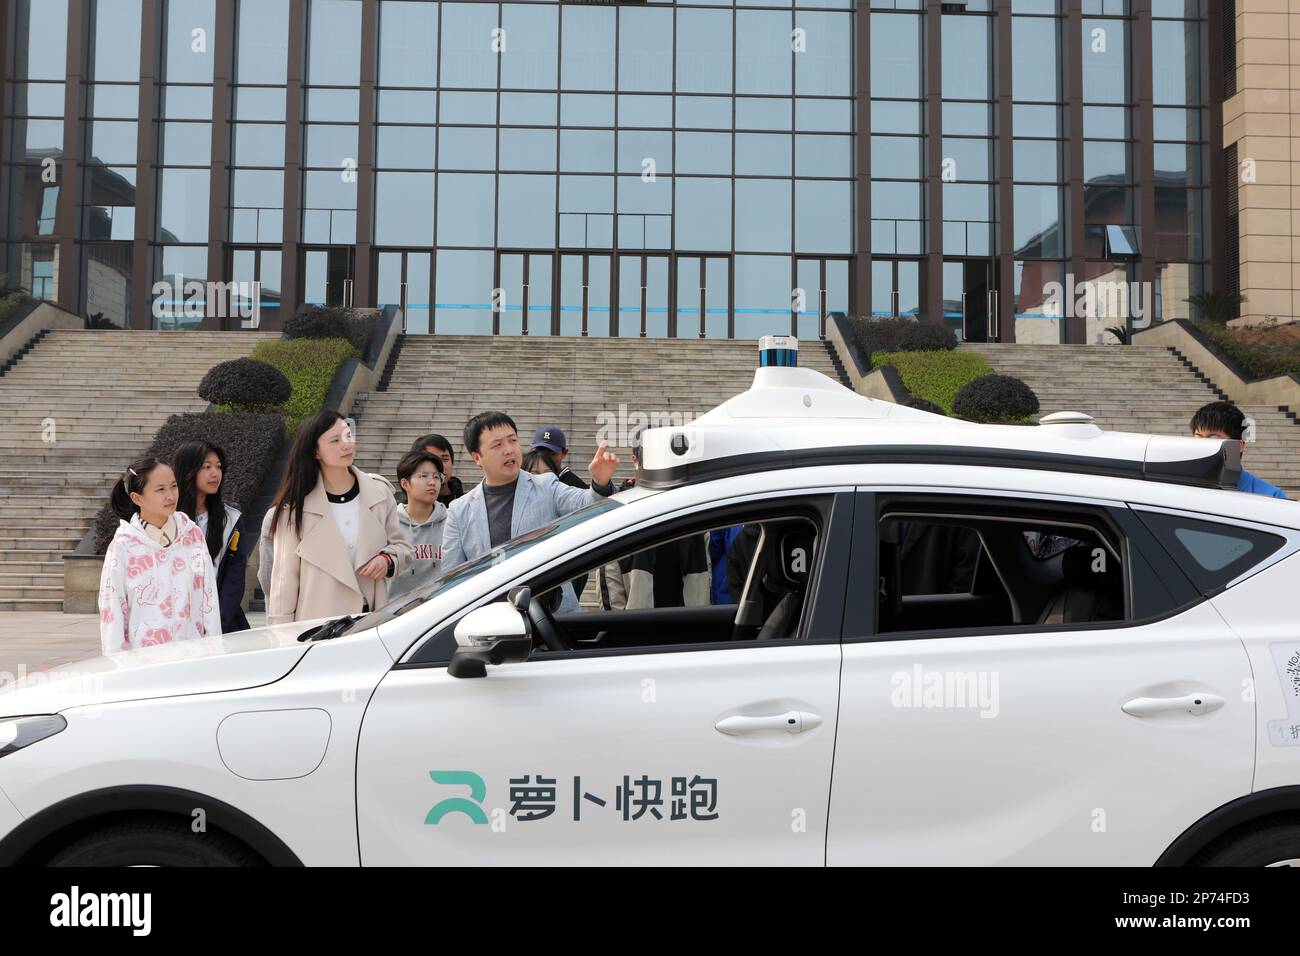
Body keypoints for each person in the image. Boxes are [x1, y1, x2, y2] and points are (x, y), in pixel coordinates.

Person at [438, 411, 620, 613]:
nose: (509, 450)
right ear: (477, 457)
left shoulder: (546, 485)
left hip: (551, 617)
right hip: (488, 621)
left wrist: (600, 483)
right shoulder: (459, 510)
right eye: (497, 445)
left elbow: (587, 504)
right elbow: (452, 578)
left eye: (513, 440)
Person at [267, 411, 414, 625]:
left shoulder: (379, 493)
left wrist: (387, 559)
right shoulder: (294, 508)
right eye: (335, 440)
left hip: (370, 621)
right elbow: (284, 579)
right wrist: (281, 636)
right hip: (316, 627)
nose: (346, 445)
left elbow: (402, 546)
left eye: (348, 436)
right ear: (316, 452)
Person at [98, 457, 222, 655]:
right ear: (137, 498)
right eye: (160, 489)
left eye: (173, 487)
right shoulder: (123, 546)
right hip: (143, 663)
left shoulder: (192, 536)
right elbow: (112, 610)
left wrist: (214, 651)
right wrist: (117, 664)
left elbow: (208, 598)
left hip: (192, 656)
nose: (170, 495)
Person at [173, 440, 250, 633]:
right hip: (176, 623)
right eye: (206, 467)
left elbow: (235, 576)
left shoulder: (231, 519)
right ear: (188, 470)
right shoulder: (169, 520)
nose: (215, 473)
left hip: (223, 623)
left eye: (218, 467)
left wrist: (217, 622)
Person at [1191, 400, 1289, 499]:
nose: (1202, 445)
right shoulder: (1181, 487)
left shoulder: (1272, 496)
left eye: (1213, 438)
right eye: (1198, 437)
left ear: (1239, 445)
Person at [389, 450, 448, 600]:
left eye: (437, 476)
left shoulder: (451, 521)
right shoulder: (390, 524)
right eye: (423, 476)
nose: (432, 482)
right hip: (397, 613)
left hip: (444, 611)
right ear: (405, 483)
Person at [414, 433, 465, 505]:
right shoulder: (405, 511)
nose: (441, 465)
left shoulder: (465, 504)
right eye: (433, 460)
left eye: (445, 459)